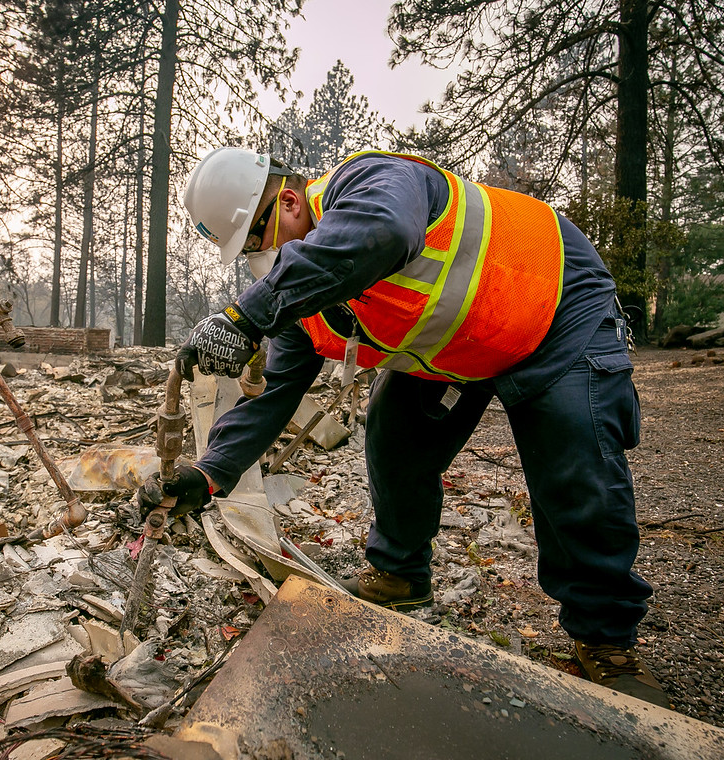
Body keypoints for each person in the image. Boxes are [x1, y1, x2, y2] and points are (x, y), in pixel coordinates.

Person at [137, 147, 670, 708]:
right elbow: (271, 400)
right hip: (464, 342)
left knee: (573, 462)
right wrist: (205, 476)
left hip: (552, 306)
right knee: (394, 438)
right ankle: (401, 575)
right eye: (246, 252)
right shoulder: (298, 293)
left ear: (290, 200)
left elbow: (383, 232)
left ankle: (606, 640)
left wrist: (245, 317)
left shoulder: (373, 182)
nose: (258, 259)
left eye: (255, 240)